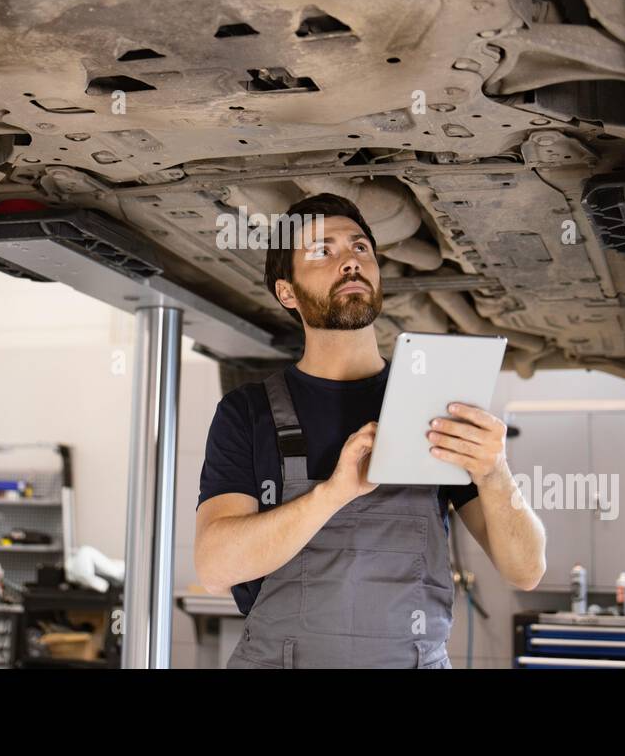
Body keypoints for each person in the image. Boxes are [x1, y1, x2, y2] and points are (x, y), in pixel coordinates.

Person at [195, 192, 546, 668]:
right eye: (323, 251)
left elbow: (526, 571)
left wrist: (495, 472)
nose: (350, 261)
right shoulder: (248, 412)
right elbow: (216, 569)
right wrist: (332, 494)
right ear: (287, 292)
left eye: (361, 248)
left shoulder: (434, 403)